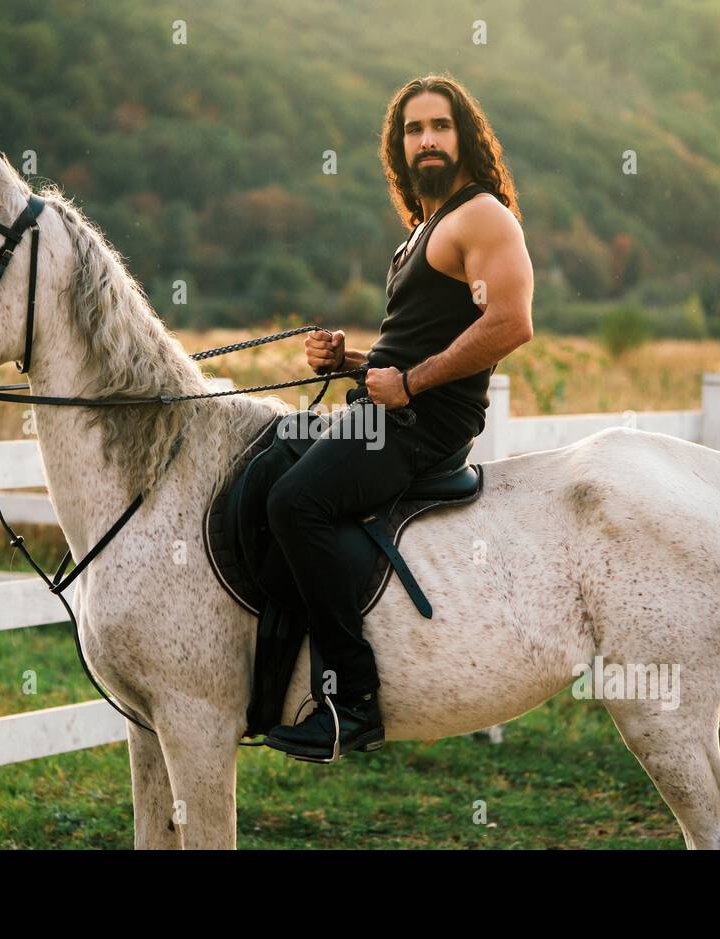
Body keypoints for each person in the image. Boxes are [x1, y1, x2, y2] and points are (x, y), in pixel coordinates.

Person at [261, 74, 535, 761]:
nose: (427, 140)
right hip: (388, 410)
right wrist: (349, 359)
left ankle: (352, 702)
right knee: (269, 452)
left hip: (422, 428)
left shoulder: (482, 217)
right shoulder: (419, 234)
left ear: (464, 135)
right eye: (413, 131)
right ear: (400, 148)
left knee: (295, 502)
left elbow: (510, 323)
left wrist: (409, 383)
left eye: (440, 126)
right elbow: (409, 346)